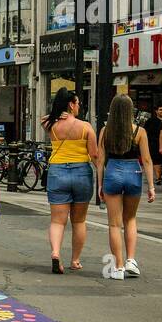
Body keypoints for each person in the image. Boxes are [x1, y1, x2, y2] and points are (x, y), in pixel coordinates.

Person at [98, 93, 155, 280]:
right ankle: (131, 260)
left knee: (114, 224)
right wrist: (151, 186)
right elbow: (146, 160)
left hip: (113, 172)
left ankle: (119, 267)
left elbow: (100, 161)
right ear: (130, 111)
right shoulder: (139, 131)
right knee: (130, 219)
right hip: (134, 173)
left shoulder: (105, 131)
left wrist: (99, 185)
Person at [44, 88, 100, 275]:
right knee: (79, 221)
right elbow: (94, 155)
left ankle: (55, 252)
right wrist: (101, 179)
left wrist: (57, 113)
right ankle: (75, 260)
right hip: (81, 173)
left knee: (57, 221)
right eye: (77, 103)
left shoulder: (50, 124)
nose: (79, 106)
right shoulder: (85, 127)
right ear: (71, 104)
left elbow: (44, 118)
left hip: (57, 171)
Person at [144, 104, 162, 184]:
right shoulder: (151, 121)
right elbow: (145, 132)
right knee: (156, 161)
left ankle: (160, 176)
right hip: (154, 143)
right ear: (156, 111)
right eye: (160, 109)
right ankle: (158, 177)